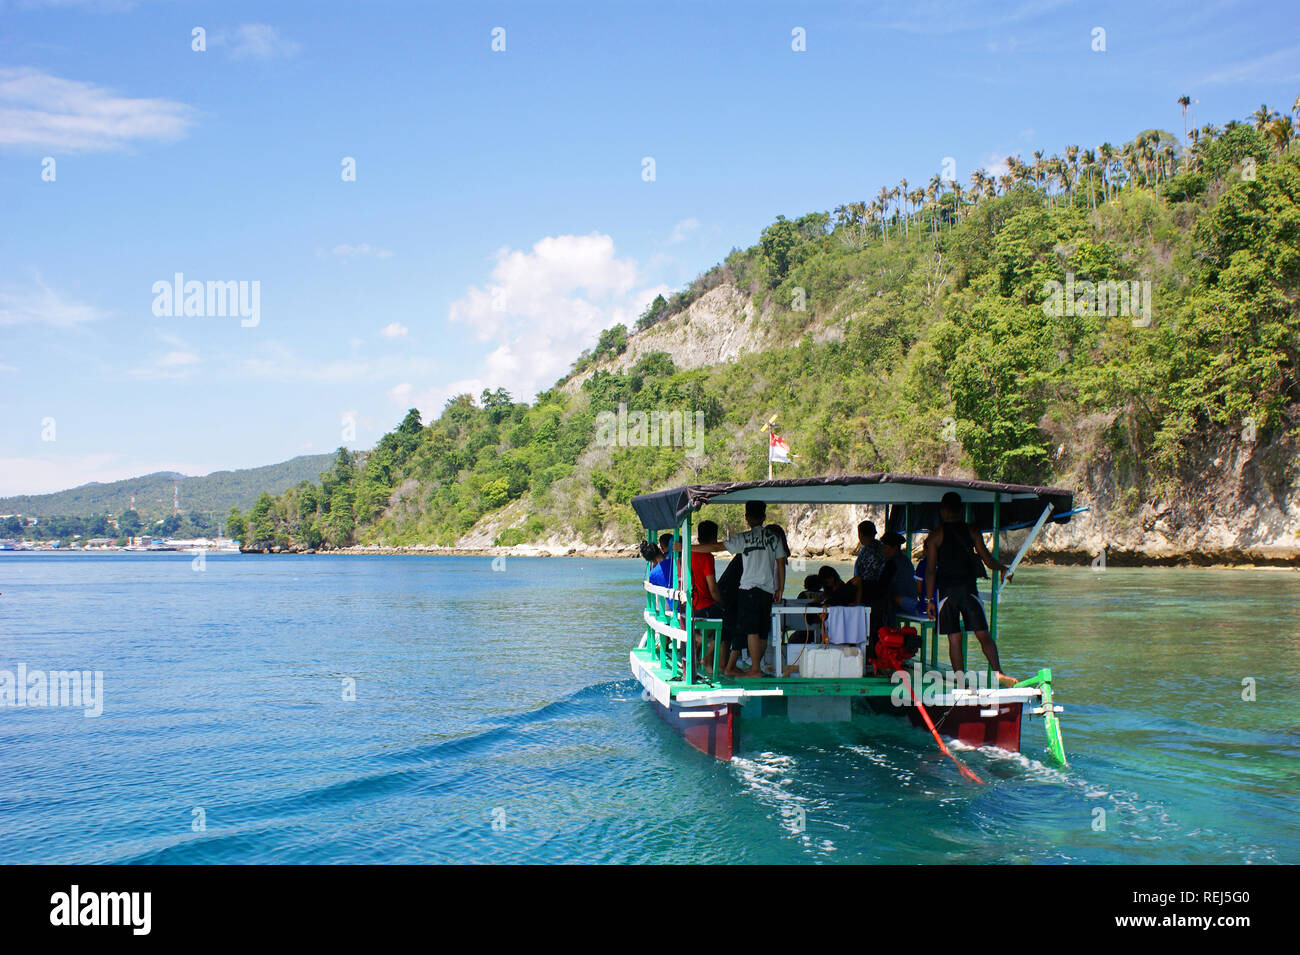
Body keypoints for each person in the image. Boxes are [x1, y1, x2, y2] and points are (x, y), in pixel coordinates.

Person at [923, 491, 1015, 685]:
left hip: (946, 594)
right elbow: (988, 560)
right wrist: (1003, 568)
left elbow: (930, 571)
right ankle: (998, 672)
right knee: (983, 634)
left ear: (943, 510)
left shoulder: (935, 536)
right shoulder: (972, 531)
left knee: (954, 638)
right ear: (961, 509)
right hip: (968, 591)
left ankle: (960, 680)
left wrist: (929, 601)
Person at [695, 501, 788, 678]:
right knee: (761, 631)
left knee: (750, 630)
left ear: (746, 518)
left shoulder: (744, 538)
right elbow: (781, 564)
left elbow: (716, 547)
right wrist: (780, 589)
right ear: (764, 517)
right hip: (767, 590)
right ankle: (755, 667)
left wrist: (686, 548)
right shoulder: (774, 538)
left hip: (747, 590)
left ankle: (754, 669)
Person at [690, 521, 725, 674]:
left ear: (698, 537)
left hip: (692, 606)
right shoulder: (707, 557)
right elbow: (713, 589)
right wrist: (723, 604)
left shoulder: (688, 554)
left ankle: (697, 653)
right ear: (714, 539)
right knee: (728, 623)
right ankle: (708, 658)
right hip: (704, 606)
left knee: (709, 624)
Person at [880, 531, 921, 618]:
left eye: (885, 547)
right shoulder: (905, 560)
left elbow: (882, 585)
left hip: (901, 604)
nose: (883, 550)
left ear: (894, 548)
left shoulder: (892, 563)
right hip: (911, 600)